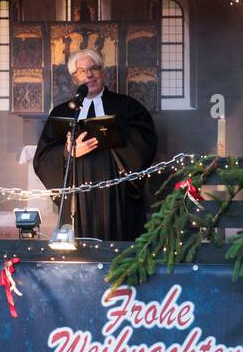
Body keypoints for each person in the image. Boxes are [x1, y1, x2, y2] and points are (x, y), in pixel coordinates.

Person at [33, 48, 158, 241]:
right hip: (77, 198)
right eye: (81, 71)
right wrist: (67, 152)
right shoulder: (62, 112)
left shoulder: (128, 107)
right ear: (74, 78)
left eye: (93, 68)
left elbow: (144, 142)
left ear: (103, 72)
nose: (89, 75)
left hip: (116, 194)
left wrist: (112, 136)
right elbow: (43, 157)